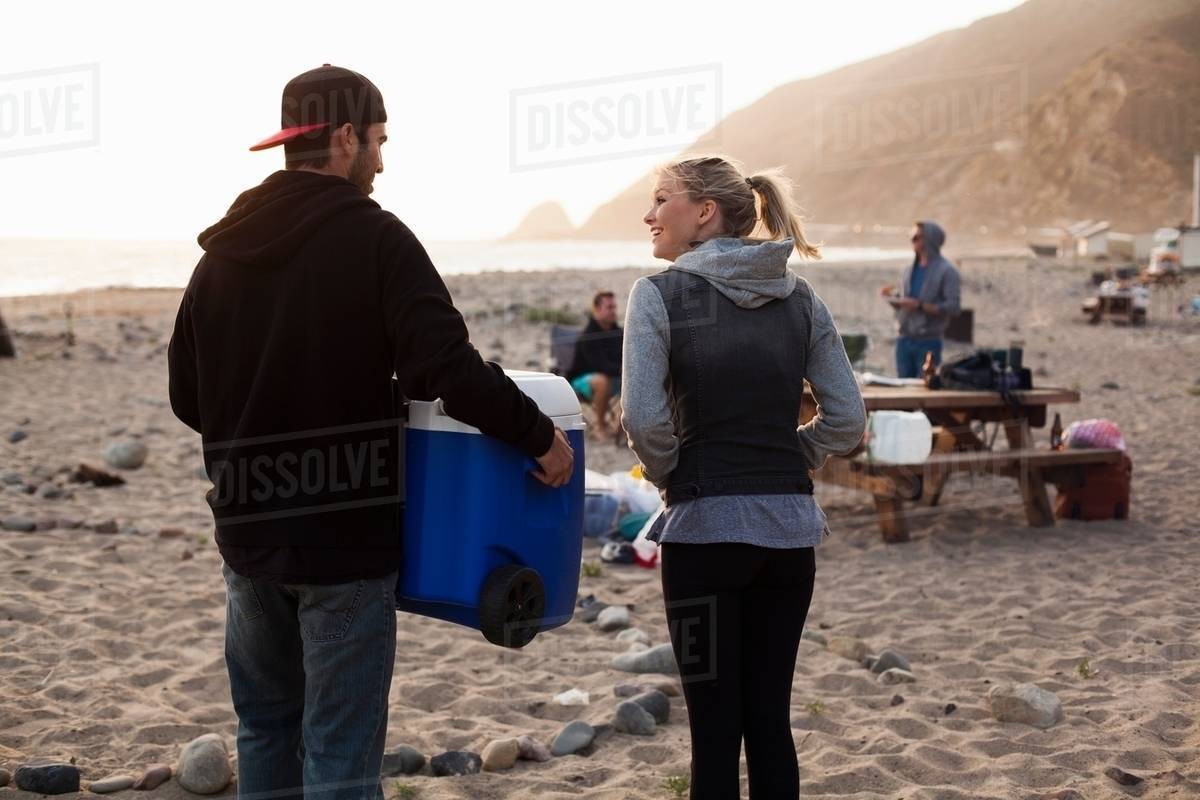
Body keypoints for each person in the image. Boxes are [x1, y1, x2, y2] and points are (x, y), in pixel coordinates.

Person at [166, 65, 574, 800]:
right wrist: (539, 435)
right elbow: (446, 366)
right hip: (342, 543)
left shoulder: (219, 256)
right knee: (341, 757)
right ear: (345, 136)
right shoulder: (377, 239)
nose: (381, 161)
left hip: (247, 530)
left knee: (264, 727)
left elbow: (188, 397)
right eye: (379, 141)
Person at [621, 155, 866, 798]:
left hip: (704, 538)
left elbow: (644, 422)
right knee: (769, 723)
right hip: (789, 539)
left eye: (661, 199)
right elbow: (847, 420)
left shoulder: (658, 295)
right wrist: (793, 459)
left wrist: (678, 473)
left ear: (703, 213)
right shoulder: (800, 298)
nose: (649, 214)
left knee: (713, 733)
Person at [880, 220, 961, 378]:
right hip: (903, 339)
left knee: (926, 391)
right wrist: (893, 299)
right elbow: (905, 301)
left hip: (928, 341)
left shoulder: (947, 271)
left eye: (918, 236)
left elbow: (953, 307)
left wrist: (919, 306)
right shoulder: (908, 270)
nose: (913, 240)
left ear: (931, 239)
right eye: (912, 236)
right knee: (903, 394)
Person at [568, 290, 624, 438]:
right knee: (602, 381)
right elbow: (600, 366)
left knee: (636, 379)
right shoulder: (588, 335)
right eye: (609, 307)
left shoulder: (617, 332)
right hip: (580, 380)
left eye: (614, 307)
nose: (614, 311)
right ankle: (600, 426)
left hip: (613, 376)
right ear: (597, 310)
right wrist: (623, 370)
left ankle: (621, 425)